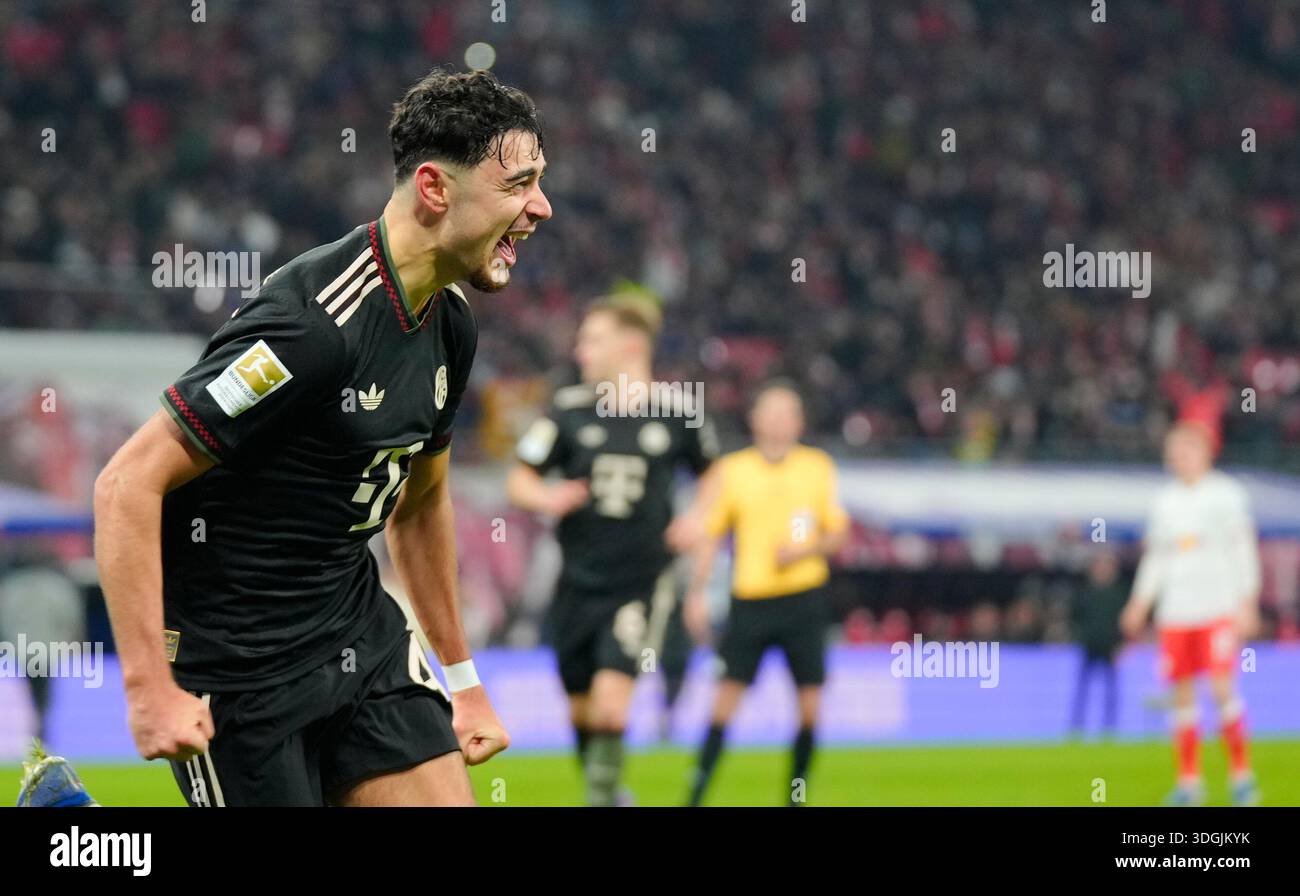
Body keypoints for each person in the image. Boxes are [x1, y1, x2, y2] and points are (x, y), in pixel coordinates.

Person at [92, 68, 551, 806]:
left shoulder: (450, 321)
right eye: (518, 184)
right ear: (435, 188)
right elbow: (125, 484)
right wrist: (149, 688)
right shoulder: (312, 328)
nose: (541, 206)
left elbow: (421, 504)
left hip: (357, 634)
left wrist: (463, 682)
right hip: (239, 664)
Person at [507, 290, 718, 805]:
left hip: (641, 583)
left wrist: (701, 516)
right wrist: (547, 495)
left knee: (609, 709)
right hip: (577, 583)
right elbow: (520, 478)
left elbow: (717, 474)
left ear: (629, 344)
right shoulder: (567, 411)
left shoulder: (678, 413)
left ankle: (602, 801)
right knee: (581, 711)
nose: (580, 350)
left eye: (592, 338)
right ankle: (610, 792)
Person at [684, 381, 849, 807]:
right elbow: (710, 536)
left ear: (799, 422)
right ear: (755, 419)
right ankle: (695, 796)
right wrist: (696, 593)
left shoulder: (816, 466)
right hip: (751, 602)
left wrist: (805, 548)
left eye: (787, 413)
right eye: (770, 412)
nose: (777, 422)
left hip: (804, 599)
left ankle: (794, 798)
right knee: (724, 704)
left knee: (811, 707)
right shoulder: (733, 469)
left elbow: (837, 531)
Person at [1119, 418, 1262, 806]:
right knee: (1181, 695)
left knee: (1220, 687)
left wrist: (1247, 600)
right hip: (1175, 613)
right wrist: (1140, 601)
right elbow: (1156, 559)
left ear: (1204, 452)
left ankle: (1241, 776)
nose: (1175, 457)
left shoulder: (1227, 495)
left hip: (1216, 606)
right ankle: (1189, 782)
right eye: (1172, 450)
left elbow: (1242, 549)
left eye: (1183, 449)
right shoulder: (1165, 502)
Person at [1069, 550, 1126, 736]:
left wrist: (1121, 644)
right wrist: (1080, 638)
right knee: (1083, 689)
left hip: (1110, 647)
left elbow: (1124, 622)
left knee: (1110, 691)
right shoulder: (1084, 593)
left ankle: (1109, 727)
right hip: (1089, 647)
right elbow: (1074, 618)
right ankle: (1077, 726)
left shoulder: (1118, 594)